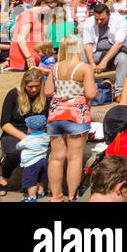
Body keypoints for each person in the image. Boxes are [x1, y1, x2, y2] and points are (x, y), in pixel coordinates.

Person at [45, 34, 97, 201]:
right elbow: (90, 93)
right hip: (76, 114)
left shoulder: (55, 67)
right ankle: (72, 195)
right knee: (74, 158)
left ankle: (56, 195)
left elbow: (47, 92)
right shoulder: (84, 68)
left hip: (55, 114)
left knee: (56, 157)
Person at [0, 69, 47, 195]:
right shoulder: (13, 94)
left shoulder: (45, 97)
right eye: (30, 87)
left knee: (39, 156)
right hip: (14, 132)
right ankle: (4, 180)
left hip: (37, 134)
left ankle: (39, 184)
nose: (34, 90)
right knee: (14, 153)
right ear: (24, 85)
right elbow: (5, 123)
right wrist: (25, 138)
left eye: (37, 86)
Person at [80, 1, 127, 94]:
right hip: (97, 52)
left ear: (109, 15)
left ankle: (120, 92)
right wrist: (92, 63)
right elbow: (87, 44)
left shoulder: (120, 20)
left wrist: (103, 62)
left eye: (102, 19)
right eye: (96, 19)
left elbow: (118, 44)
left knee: (122, 59)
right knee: (82, 58)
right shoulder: (89, 22)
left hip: (117, 51)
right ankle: (83, 89)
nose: (99, 21)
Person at [18, 114, 50, 202]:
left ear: (30, 129)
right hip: (42, 161)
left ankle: (31, 197)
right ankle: (40, 192)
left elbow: (18, 146)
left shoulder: (28, 139)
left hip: (31, 163)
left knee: (31, 181)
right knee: (40, 178)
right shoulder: (46, 136)